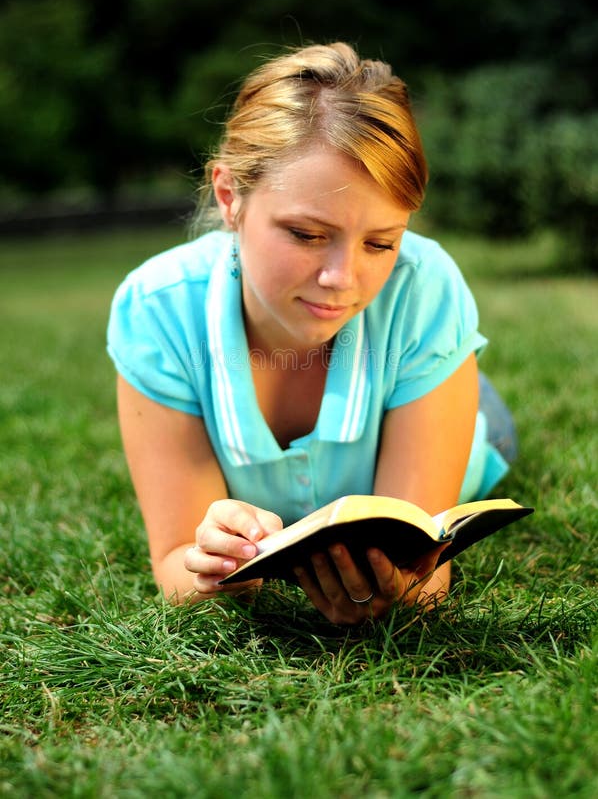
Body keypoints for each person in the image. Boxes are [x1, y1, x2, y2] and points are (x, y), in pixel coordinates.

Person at [107, 42, 517, 625]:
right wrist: (213, 570)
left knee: (489, 423)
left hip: (460, 413)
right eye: (304, 233)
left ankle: (451, 376)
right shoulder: (158, 313)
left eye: (381, 243)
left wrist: (398, 590)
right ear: (229, 196)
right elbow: (176, 563)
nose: (341, 280)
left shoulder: (424, 290)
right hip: (401, 369)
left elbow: (428, 577)